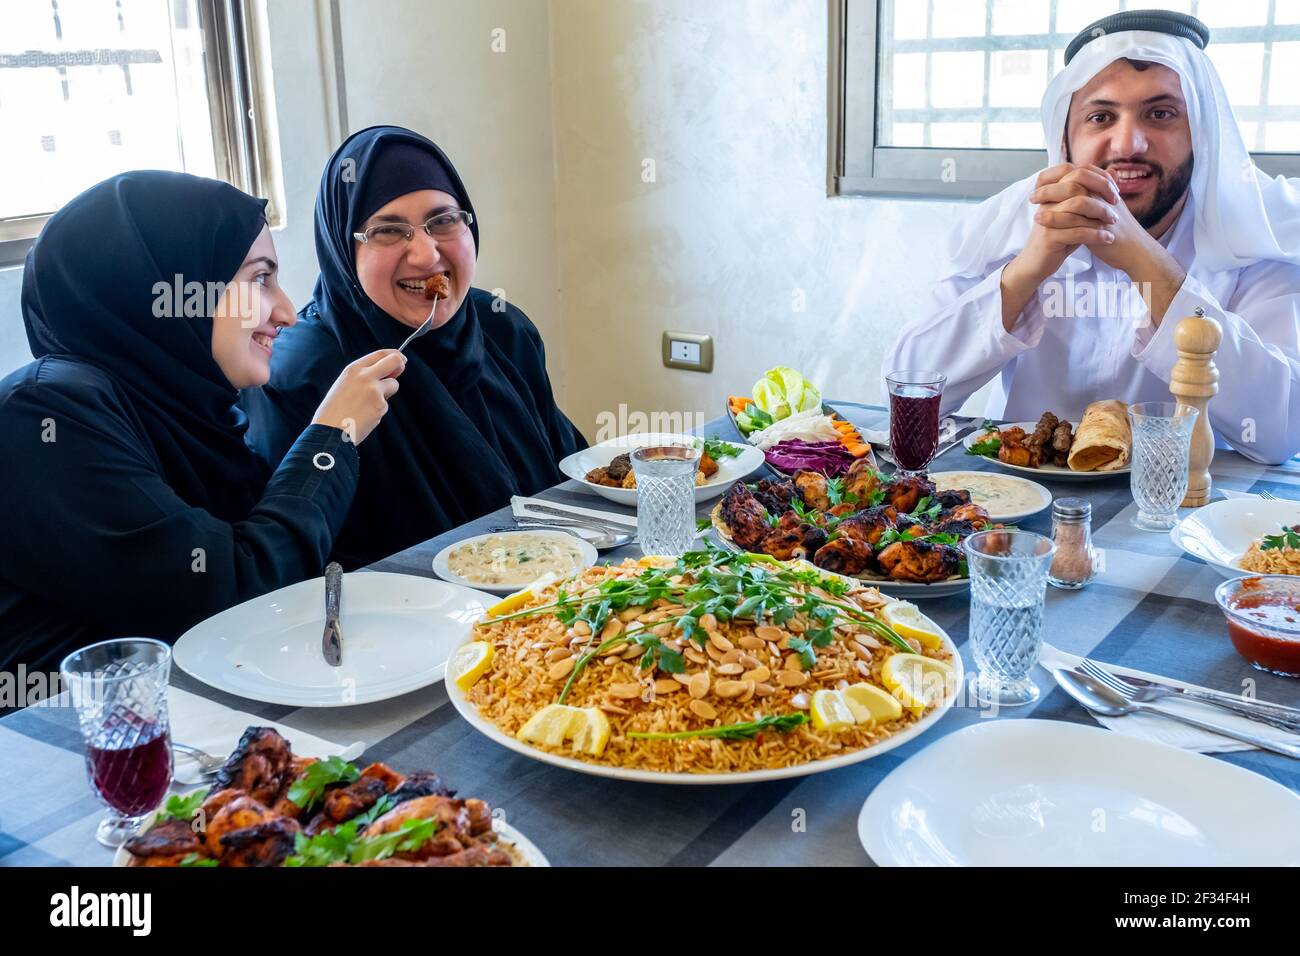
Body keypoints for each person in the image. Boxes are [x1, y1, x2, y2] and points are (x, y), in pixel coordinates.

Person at [0, 171, 406, 676]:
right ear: (170, 287)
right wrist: (333, 436)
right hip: (64, 741)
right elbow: (231, 597)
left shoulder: (195, 408)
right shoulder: (45, 412)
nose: (287, 312)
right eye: (260, 277)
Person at [884, 10, 1300, 464]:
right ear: (1066, 141)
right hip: (1014, 506)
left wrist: (1148, 264)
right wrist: (1025, 271)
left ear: (1200, 133)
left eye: (1161, 114)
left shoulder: (1256, 227)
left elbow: (1281, 430)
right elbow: (905, 392)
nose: (1127, 145)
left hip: (1177, 511)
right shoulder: (1008, 221)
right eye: (1101, 117)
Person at [244, 126, 586, 569]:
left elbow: (573, 481)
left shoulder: (502, 328)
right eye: (388, 230)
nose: (426, 256)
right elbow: (297, 562)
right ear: (342, 249)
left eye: (443, 221)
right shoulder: (298, 370)